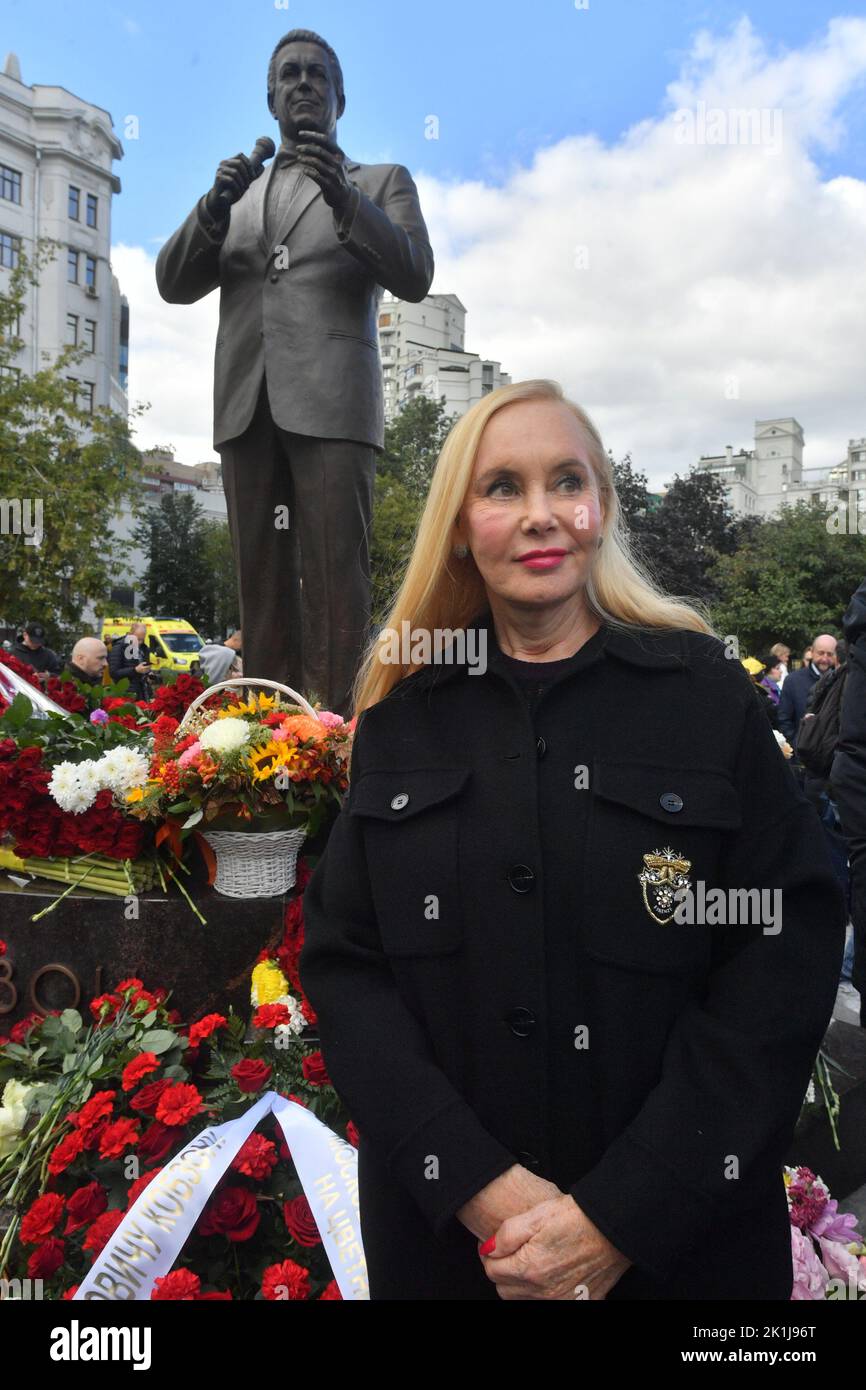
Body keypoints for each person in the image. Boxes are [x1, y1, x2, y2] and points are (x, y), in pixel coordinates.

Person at [299, 379, 845, 1301]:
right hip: (458, 1258)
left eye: (568, 482)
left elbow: (781, 956)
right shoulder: (402, 722)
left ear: (602, 511)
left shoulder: (706, 700)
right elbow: (350, 970)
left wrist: (625, 1214)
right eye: (503, 487)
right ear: (462, 525)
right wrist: (475, 1186)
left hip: (683, 1256)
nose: (541, 514)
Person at [155, 28, 435, 717]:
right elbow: (171, 283)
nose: (303, 82)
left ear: (340, 96)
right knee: (261, 581)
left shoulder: (378, 182)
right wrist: (209, 209)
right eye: (289, 74)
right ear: (270, 97)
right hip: (247, 405)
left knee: (339, 579)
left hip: (334, 404)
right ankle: (262, 738)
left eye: (317, 74)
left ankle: (340, 742)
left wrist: (344, 199)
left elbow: (414, 273)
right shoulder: (237, 197)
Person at [778, 634, 837, 749]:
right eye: (821, 653)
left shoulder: (841, 680)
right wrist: (798, 745)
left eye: (829, 654)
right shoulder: (793, 681)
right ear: (812, 652)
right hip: (802, 758)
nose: (824, 658)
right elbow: (784, 720)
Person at [107, 622, 152, 700]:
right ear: (131, 634)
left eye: (142, 639)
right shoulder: (119, 646)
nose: (139, 642)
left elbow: (143, 667)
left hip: (143, 691)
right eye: (138, 639)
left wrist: (148, 673)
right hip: (127, 693)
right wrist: (135, 670)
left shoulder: (144, 648)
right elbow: (113, 672)